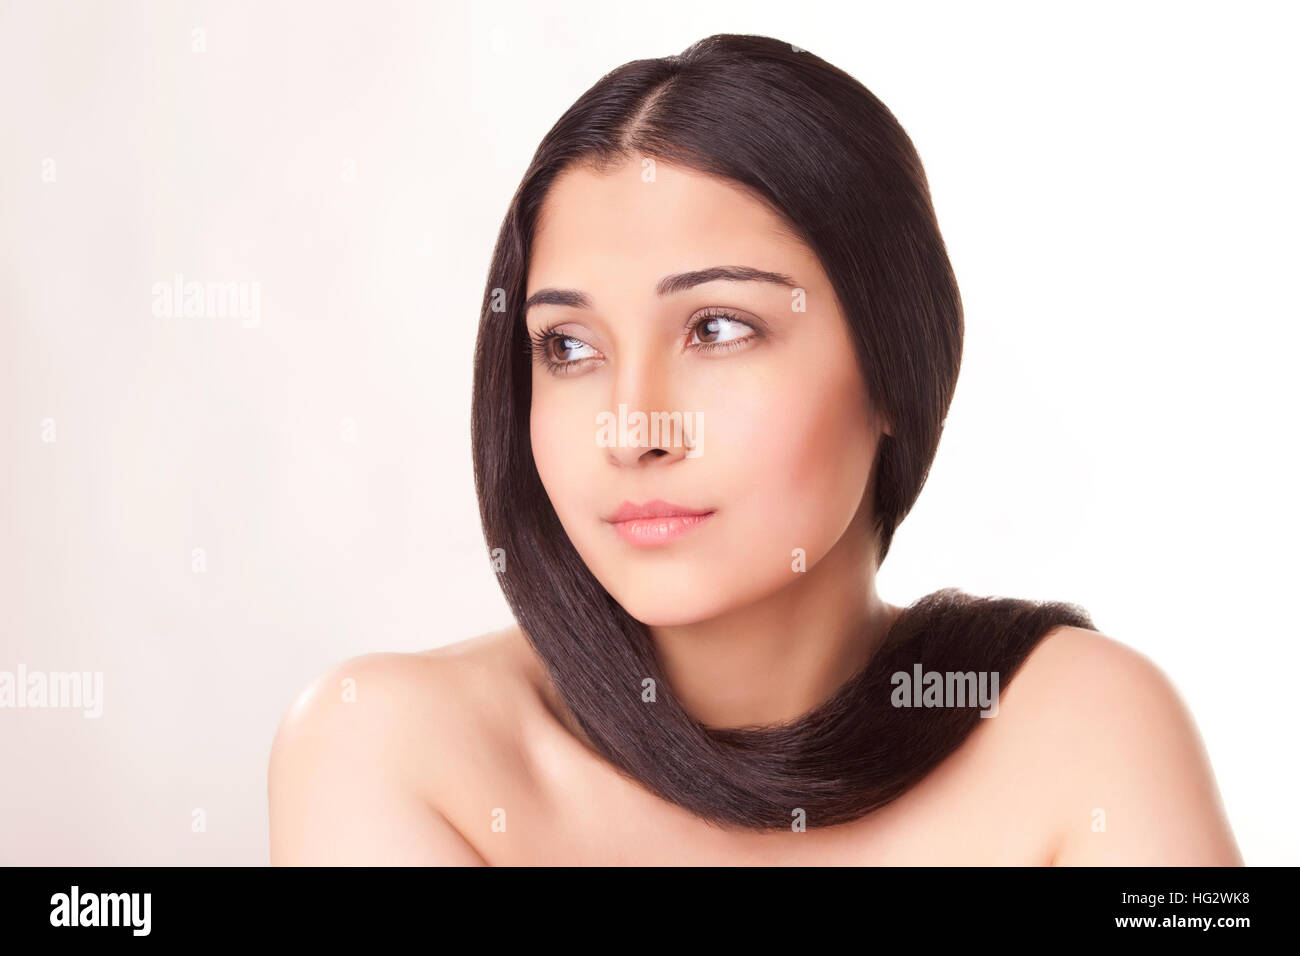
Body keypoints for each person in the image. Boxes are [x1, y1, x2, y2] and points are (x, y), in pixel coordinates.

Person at [268, 33, 1242, 865]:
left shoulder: (1079, 726)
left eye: (718, 328)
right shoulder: (395, 745)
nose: (633, 426)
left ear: (891, 363)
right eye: (568, 347)